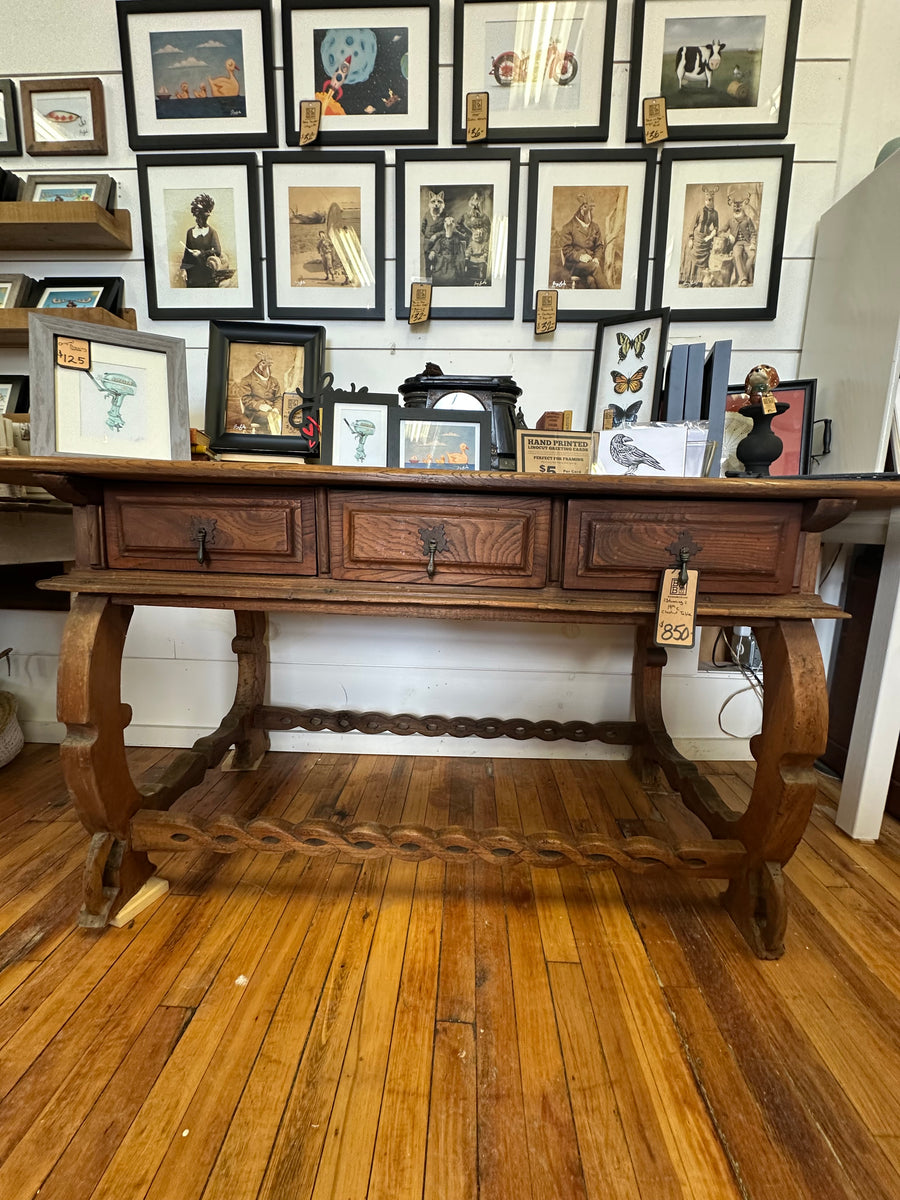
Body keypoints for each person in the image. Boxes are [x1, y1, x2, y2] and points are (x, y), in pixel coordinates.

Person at [559, 193, 606, 288]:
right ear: (582, 209)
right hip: (574, 266)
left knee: (591, 280)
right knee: (595, 267)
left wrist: (596, 258)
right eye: (589, 210)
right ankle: (610, 295)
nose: (592, 214)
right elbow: (566, 250)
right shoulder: (568, 227)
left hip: (590, 265)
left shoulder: (595, 227)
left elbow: (599, 246)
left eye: (592, 210)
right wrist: (580, 257)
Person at [179, 193, 223, 288]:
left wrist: (201, 253)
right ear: (195, 215)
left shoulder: (212, 232)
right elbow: (186, 254)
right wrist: (183, 269)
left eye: (203, 217)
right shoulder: (190, 232)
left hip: (207, 273)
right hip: (192, 275)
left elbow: (218, 251)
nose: (199, 220)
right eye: (198, 217)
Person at [237, 353, 282, 435]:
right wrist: (260, 406)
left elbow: (278, 398)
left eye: (267, 365)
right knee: (271, 418)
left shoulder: (274, 381)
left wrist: (276, 409)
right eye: (263, 363)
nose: (265, 367)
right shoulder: (246, 380)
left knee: (284, 417)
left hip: (272, 410)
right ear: (258, 364)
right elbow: (245, 399)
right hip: (253, 413)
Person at [722, 186, 758, 286]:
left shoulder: (748, 219)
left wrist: (753, 243)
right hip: (737, 244)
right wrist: (728, 235)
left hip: (747, 243)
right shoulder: (730, 220)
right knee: (737, 255)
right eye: (735, 206)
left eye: (739, 206)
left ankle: (743, 278)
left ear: (743, 206)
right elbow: (722, 231)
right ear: (732, 206)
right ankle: (744, 279)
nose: (737, 208)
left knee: (752, 255)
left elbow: (753, 233)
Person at [685, 185, 719, 286]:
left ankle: (700, 281)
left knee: (704, 260)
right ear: (705, 198)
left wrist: (709, 236)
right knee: (693, 257)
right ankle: (690, 279)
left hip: (706, 239)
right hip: (697, 237)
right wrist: (691, 238)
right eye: (708, 196)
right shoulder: (700, 210)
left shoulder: (715, 213)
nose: (709, 198)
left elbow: (716, 227)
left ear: (713, 198)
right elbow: (692, 224)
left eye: (711, 197)